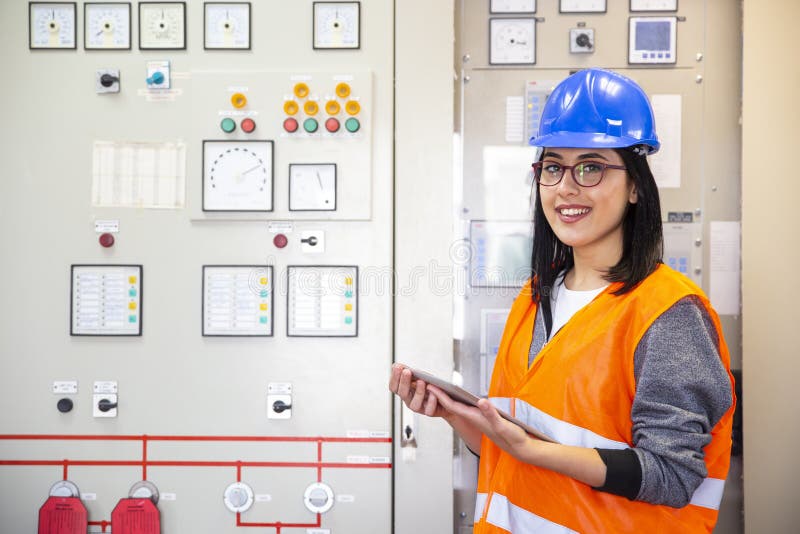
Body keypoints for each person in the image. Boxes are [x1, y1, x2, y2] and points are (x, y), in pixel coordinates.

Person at [389, 68, 735, 533]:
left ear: (635, 186)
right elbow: (513, 446)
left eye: (591, 167)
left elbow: (672, 475)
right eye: (553, 167)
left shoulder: (667, 312)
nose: (566, 187)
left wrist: (531, 449)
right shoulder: (535, 299)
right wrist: (458, 415)